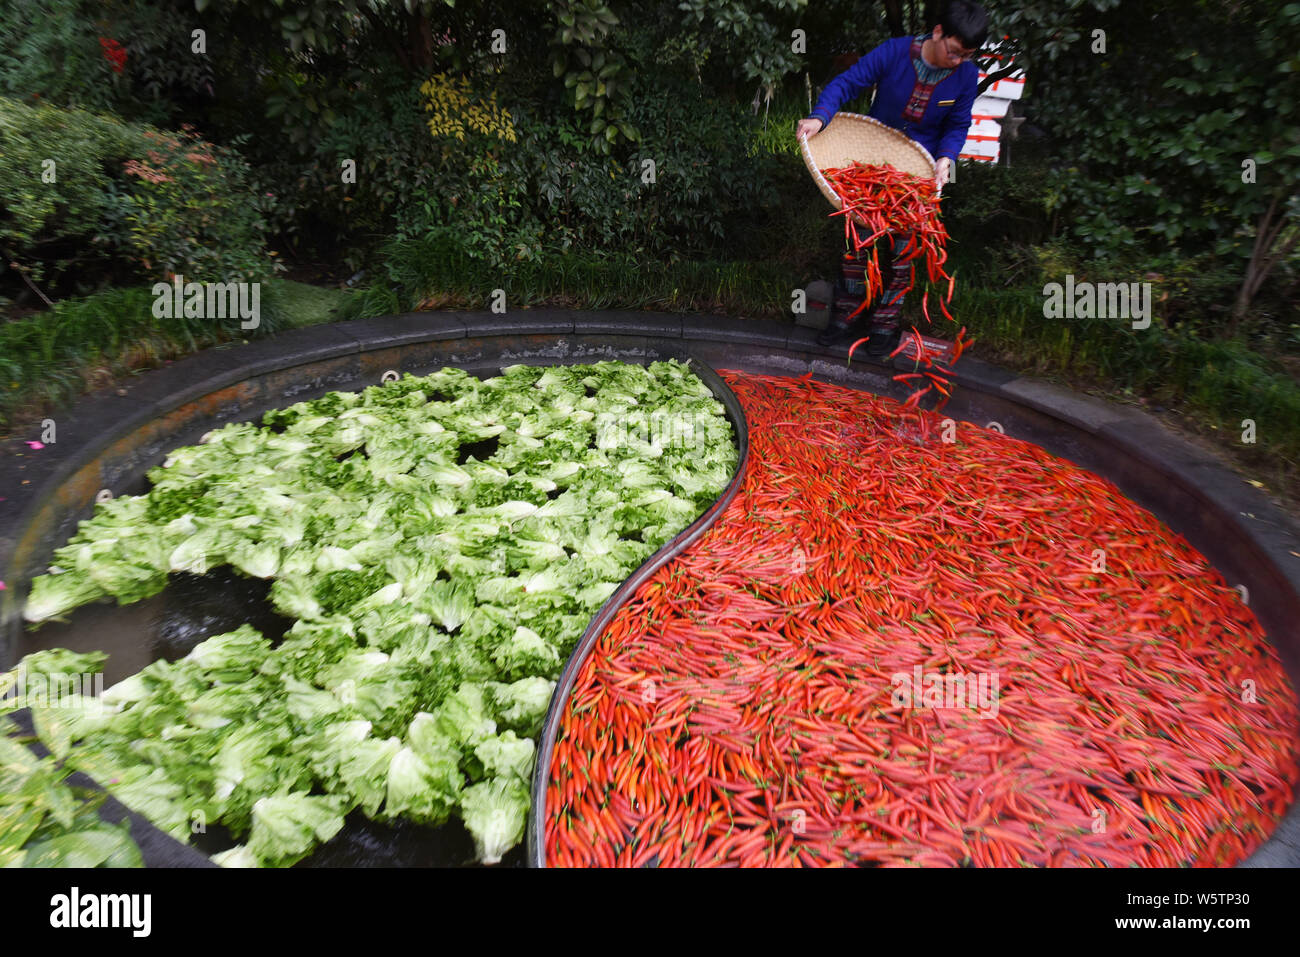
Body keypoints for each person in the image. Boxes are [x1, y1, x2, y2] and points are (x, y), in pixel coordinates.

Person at [797, 0, 989, 353]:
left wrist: (947, 158)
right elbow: (847, 83)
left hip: (917, 171)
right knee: (858, 241)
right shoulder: (896, 53)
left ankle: (885, 325)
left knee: (905, 249)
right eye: (955, 51)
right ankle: (846, 315)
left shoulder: (965, 75)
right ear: (938, 32)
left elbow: (958, 123)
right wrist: (820, 117)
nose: (959, 60)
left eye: (967, 55)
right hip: (874, 162)